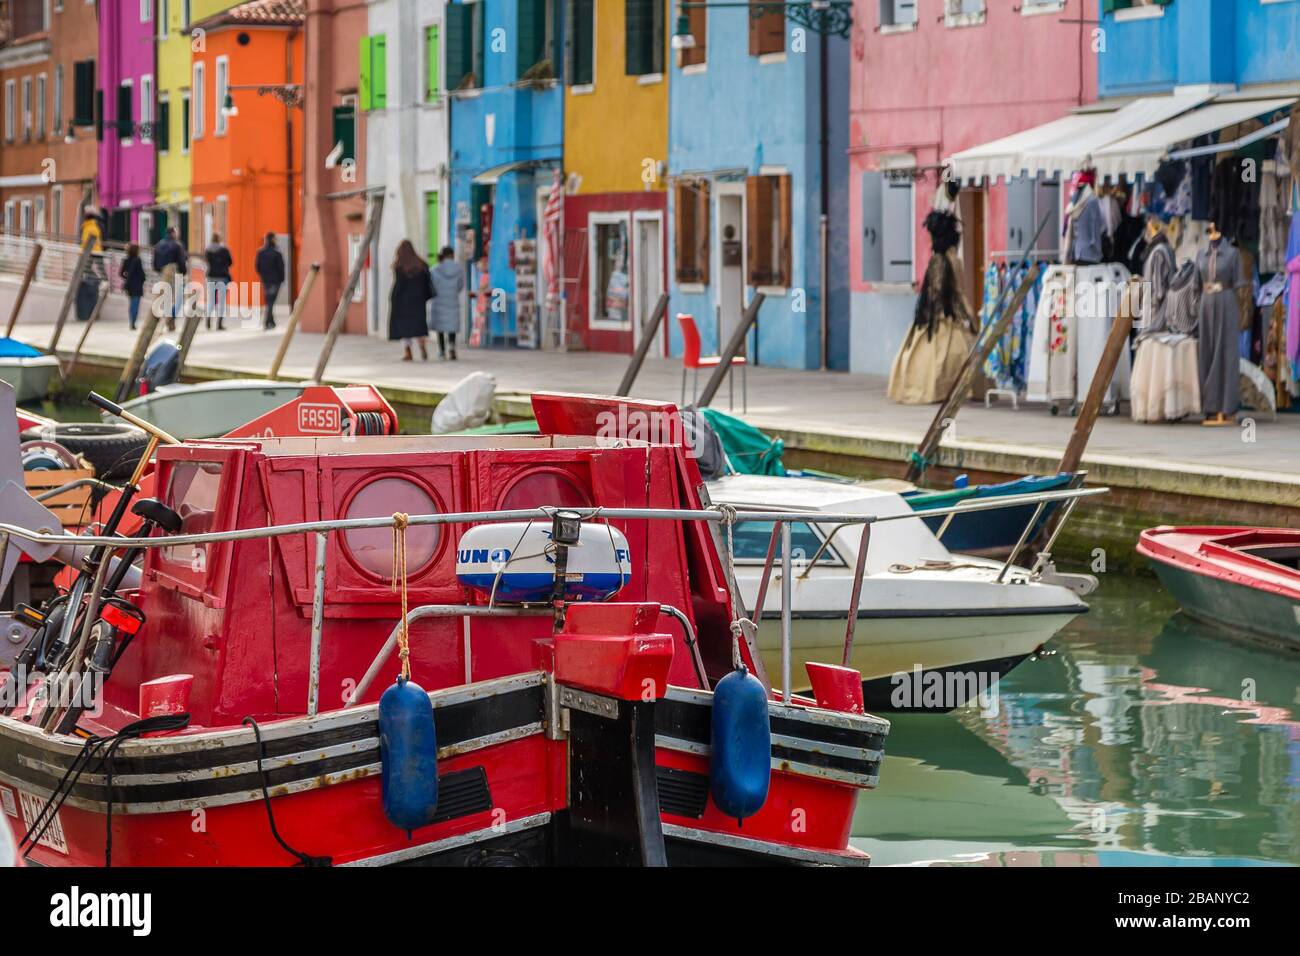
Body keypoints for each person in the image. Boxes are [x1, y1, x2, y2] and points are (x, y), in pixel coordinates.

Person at [388, 239, 434, 361]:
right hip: (418, 302)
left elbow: (399, 285)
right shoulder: (422, 265)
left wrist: (393, 298)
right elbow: (427, 283)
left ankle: (408, 352)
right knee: (419, 326)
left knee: (405, 328)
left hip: (404, 302)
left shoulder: (400, 266)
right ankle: (422, 346)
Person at [428, 246, 464, 359]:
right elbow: (460, 285)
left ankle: (442, 352)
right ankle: (452, 348)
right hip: (452, 299)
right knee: (451, 325)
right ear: (452, 255)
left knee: (440, 327)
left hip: (438, 300)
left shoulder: (434, 269)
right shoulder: (458, 269)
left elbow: (431, 285)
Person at [151, 227, 185, 332]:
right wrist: (184, 272)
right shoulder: (177, 245)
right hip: (174, 273)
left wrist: (158, 270)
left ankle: (167, 319)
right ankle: (170, 319)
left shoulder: (158, 245)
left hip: (162, 273)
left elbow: (155, 261)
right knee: (178, 298)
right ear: (173, 233)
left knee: (165, 299)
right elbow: (181, 261)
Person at [255, 232, 285, 330]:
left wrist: (262, 275)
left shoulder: (260, 252)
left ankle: (272, 321)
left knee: (269, 300)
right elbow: (281, 267)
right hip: (275, 280)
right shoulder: (277, 253)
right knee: (271, 301)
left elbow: (257, 267)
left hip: (265, 279)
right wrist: (282, 278)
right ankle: (267, 321)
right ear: (272, 239)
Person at [204, 233, 233, 330]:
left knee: (211, 300)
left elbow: (206, 261)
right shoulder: (224, 250)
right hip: (222, 277)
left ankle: (208, 320)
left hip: (211, 276)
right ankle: (219, 323)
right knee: (221, 301)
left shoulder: (208, 250)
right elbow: (230, 262)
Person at [120, 243, 146, 331]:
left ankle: (132, 321)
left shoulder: (126, 260)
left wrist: (127, 278)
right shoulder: (138, 260)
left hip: (129, 285)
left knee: (132, 304)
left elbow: (121, 273)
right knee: (135, 304)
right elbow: (142, 274)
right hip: (137, 285)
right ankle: (133, 322)